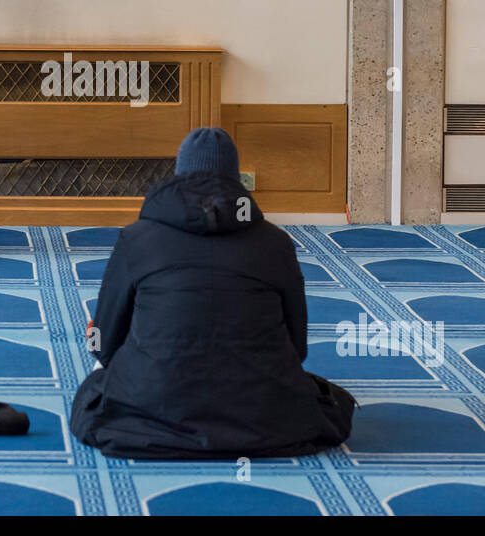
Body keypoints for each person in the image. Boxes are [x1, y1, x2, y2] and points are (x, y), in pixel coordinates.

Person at [70, 127, 357, 459]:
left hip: (150, 410)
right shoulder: (275, 243)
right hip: (264, 419)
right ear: (237, 181)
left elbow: (104, 343)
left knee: (92, 392)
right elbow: (297, 348)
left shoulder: (136, 238)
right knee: (328, 402)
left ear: (177, 175)